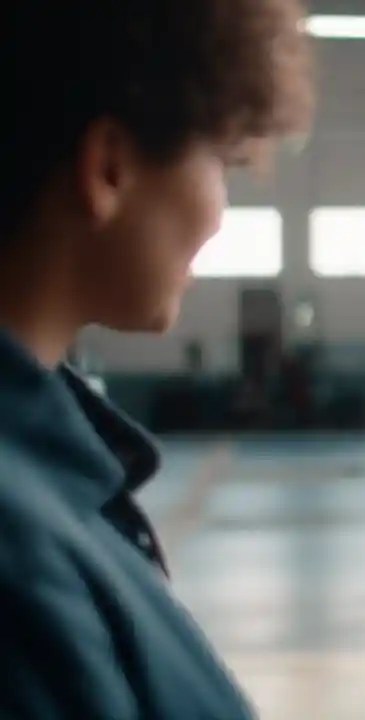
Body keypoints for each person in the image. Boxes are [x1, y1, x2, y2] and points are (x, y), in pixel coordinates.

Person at [0, 1, 314, 717]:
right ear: (109, 168)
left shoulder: (52, 479)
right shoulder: (22, 557)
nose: (220, 211)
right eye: (223, 162)